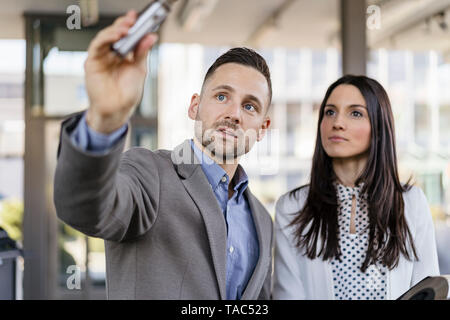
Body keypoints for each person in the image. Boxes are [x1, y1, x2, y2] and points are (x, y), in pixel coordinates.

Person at [53, 10, 273, 300]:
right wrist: (104, 121)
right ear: (195, 106)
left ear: (262, 128)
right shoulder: (149, 173)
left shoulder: (262, 220)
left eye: (250, 106)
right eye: (221, 96)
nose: (233, 114)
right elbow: (85, 209)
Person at [273, 75, 440, 300]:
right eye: (330, 112)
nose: (337, 122)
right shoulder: (292, 207)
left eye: (355, 113)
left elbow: (426, 291)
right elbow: (288, 295)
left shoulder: (411, 202)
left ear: (379, 126)